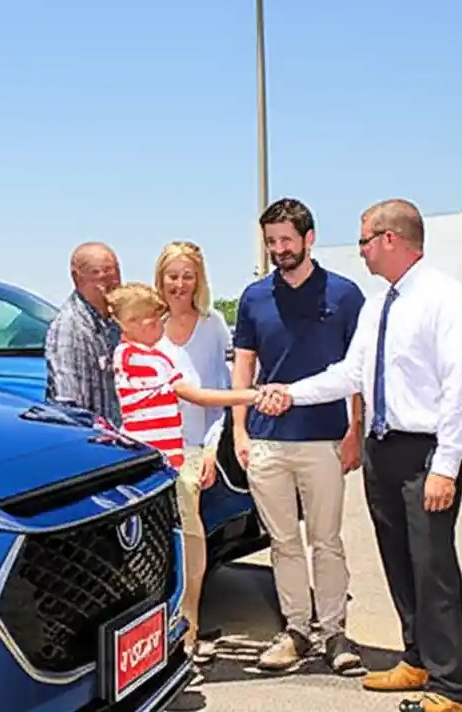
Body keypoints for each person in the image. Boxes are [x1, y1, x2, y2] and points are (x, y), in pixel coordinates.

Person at [259, 198, 462, 712]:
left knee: (433, 569)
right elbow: (350, 375)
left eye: (363, 240)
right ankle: (417, 658)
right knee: (400, 562)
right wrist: (290, 392)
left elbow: (461, 391)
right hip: (383, 449)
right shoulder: (381, 304)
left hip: (426, 453)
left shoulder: (449, 301)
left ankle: (452, 688)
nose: (359, 251)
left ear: (389, 239)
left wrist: (445, 466)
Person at [104, 282, 271, 678]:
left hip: (171, 464)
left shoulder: (144, 354)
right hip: (159, 472)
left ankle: (185, 631)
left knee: (185, 553)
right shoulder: (139, 359)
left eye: (156, 316)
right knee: (183, 552)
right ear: (131, 324)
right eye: (147, 319)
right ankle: (180, 636)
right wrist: (250, 396)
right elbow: (196, 396)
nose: (156, 324)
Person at [230, 197, 366, 675]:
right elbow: (243, 363)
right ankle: (295, 631)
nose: (278, 249)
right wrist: (240, 431)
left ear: (309, 239)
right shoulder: (253, 297)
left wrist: (355, 434)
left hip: (325, 439)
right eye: (271, 241)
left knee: (326, 541)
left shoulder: (346, 295)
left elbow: (358, 372)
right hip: (267, 441)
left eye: (286, 239)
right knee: (283, 542)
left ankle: (335, 634)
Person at [151, 241, 231, 666]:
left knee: (190, 540)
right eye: (172, 275)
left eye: (188, 275)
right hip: (149, 450)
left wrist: (213, 450)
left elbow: (217, 392)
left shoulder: (213, 325)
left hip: (191, 450)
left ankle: (190, 628)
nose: (180, 284)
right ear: (160, 278)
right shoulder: (146, 325)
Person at [44, 242, 124, 426]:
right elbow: (70, 406)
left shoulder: (115, 321)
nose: (113, 281)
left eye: (116, 272)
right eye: (101, 273)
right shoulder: (70, 327)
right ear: (77, 277)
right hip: (97, 444)